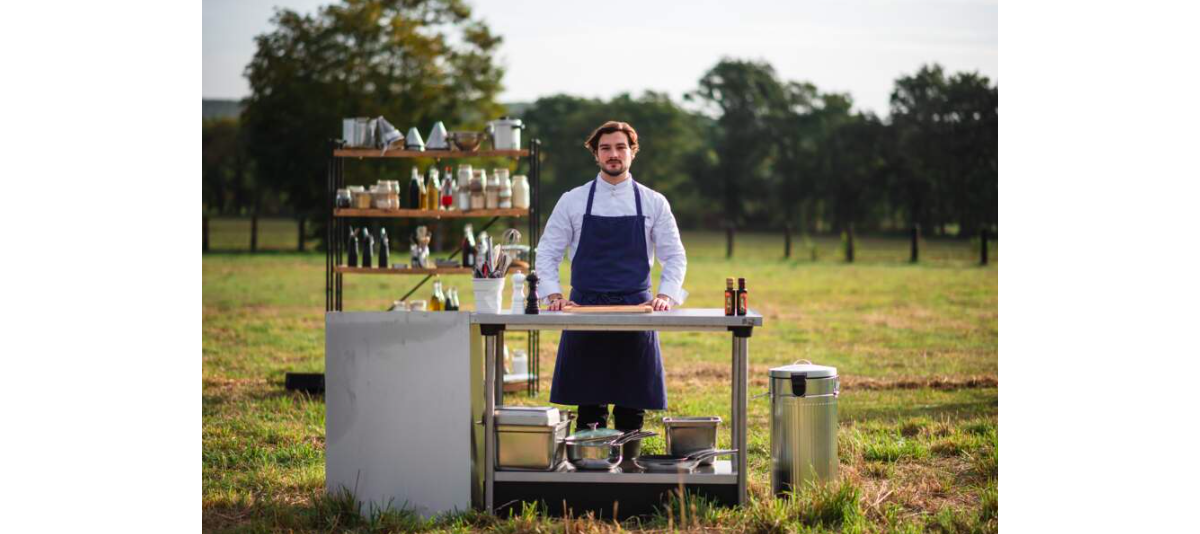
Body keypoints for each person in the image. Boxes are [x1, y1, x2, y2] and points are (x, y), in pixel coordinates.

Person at [534, 121, 688, 458]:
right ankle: (588, 472)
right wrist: (552, 294)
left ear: (633, 151)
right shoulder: (572, 201)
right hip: (584, 310)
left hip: (637, 311)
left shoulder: (653, 202)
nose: (614, 154)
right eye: (606, 148)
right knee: (589, 405)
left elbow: (674, 255)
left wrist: (666, 295)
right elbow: (547, 252)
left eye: (621, 147)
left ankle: (630, 472)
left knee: (632, 403)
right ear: (596, 154)